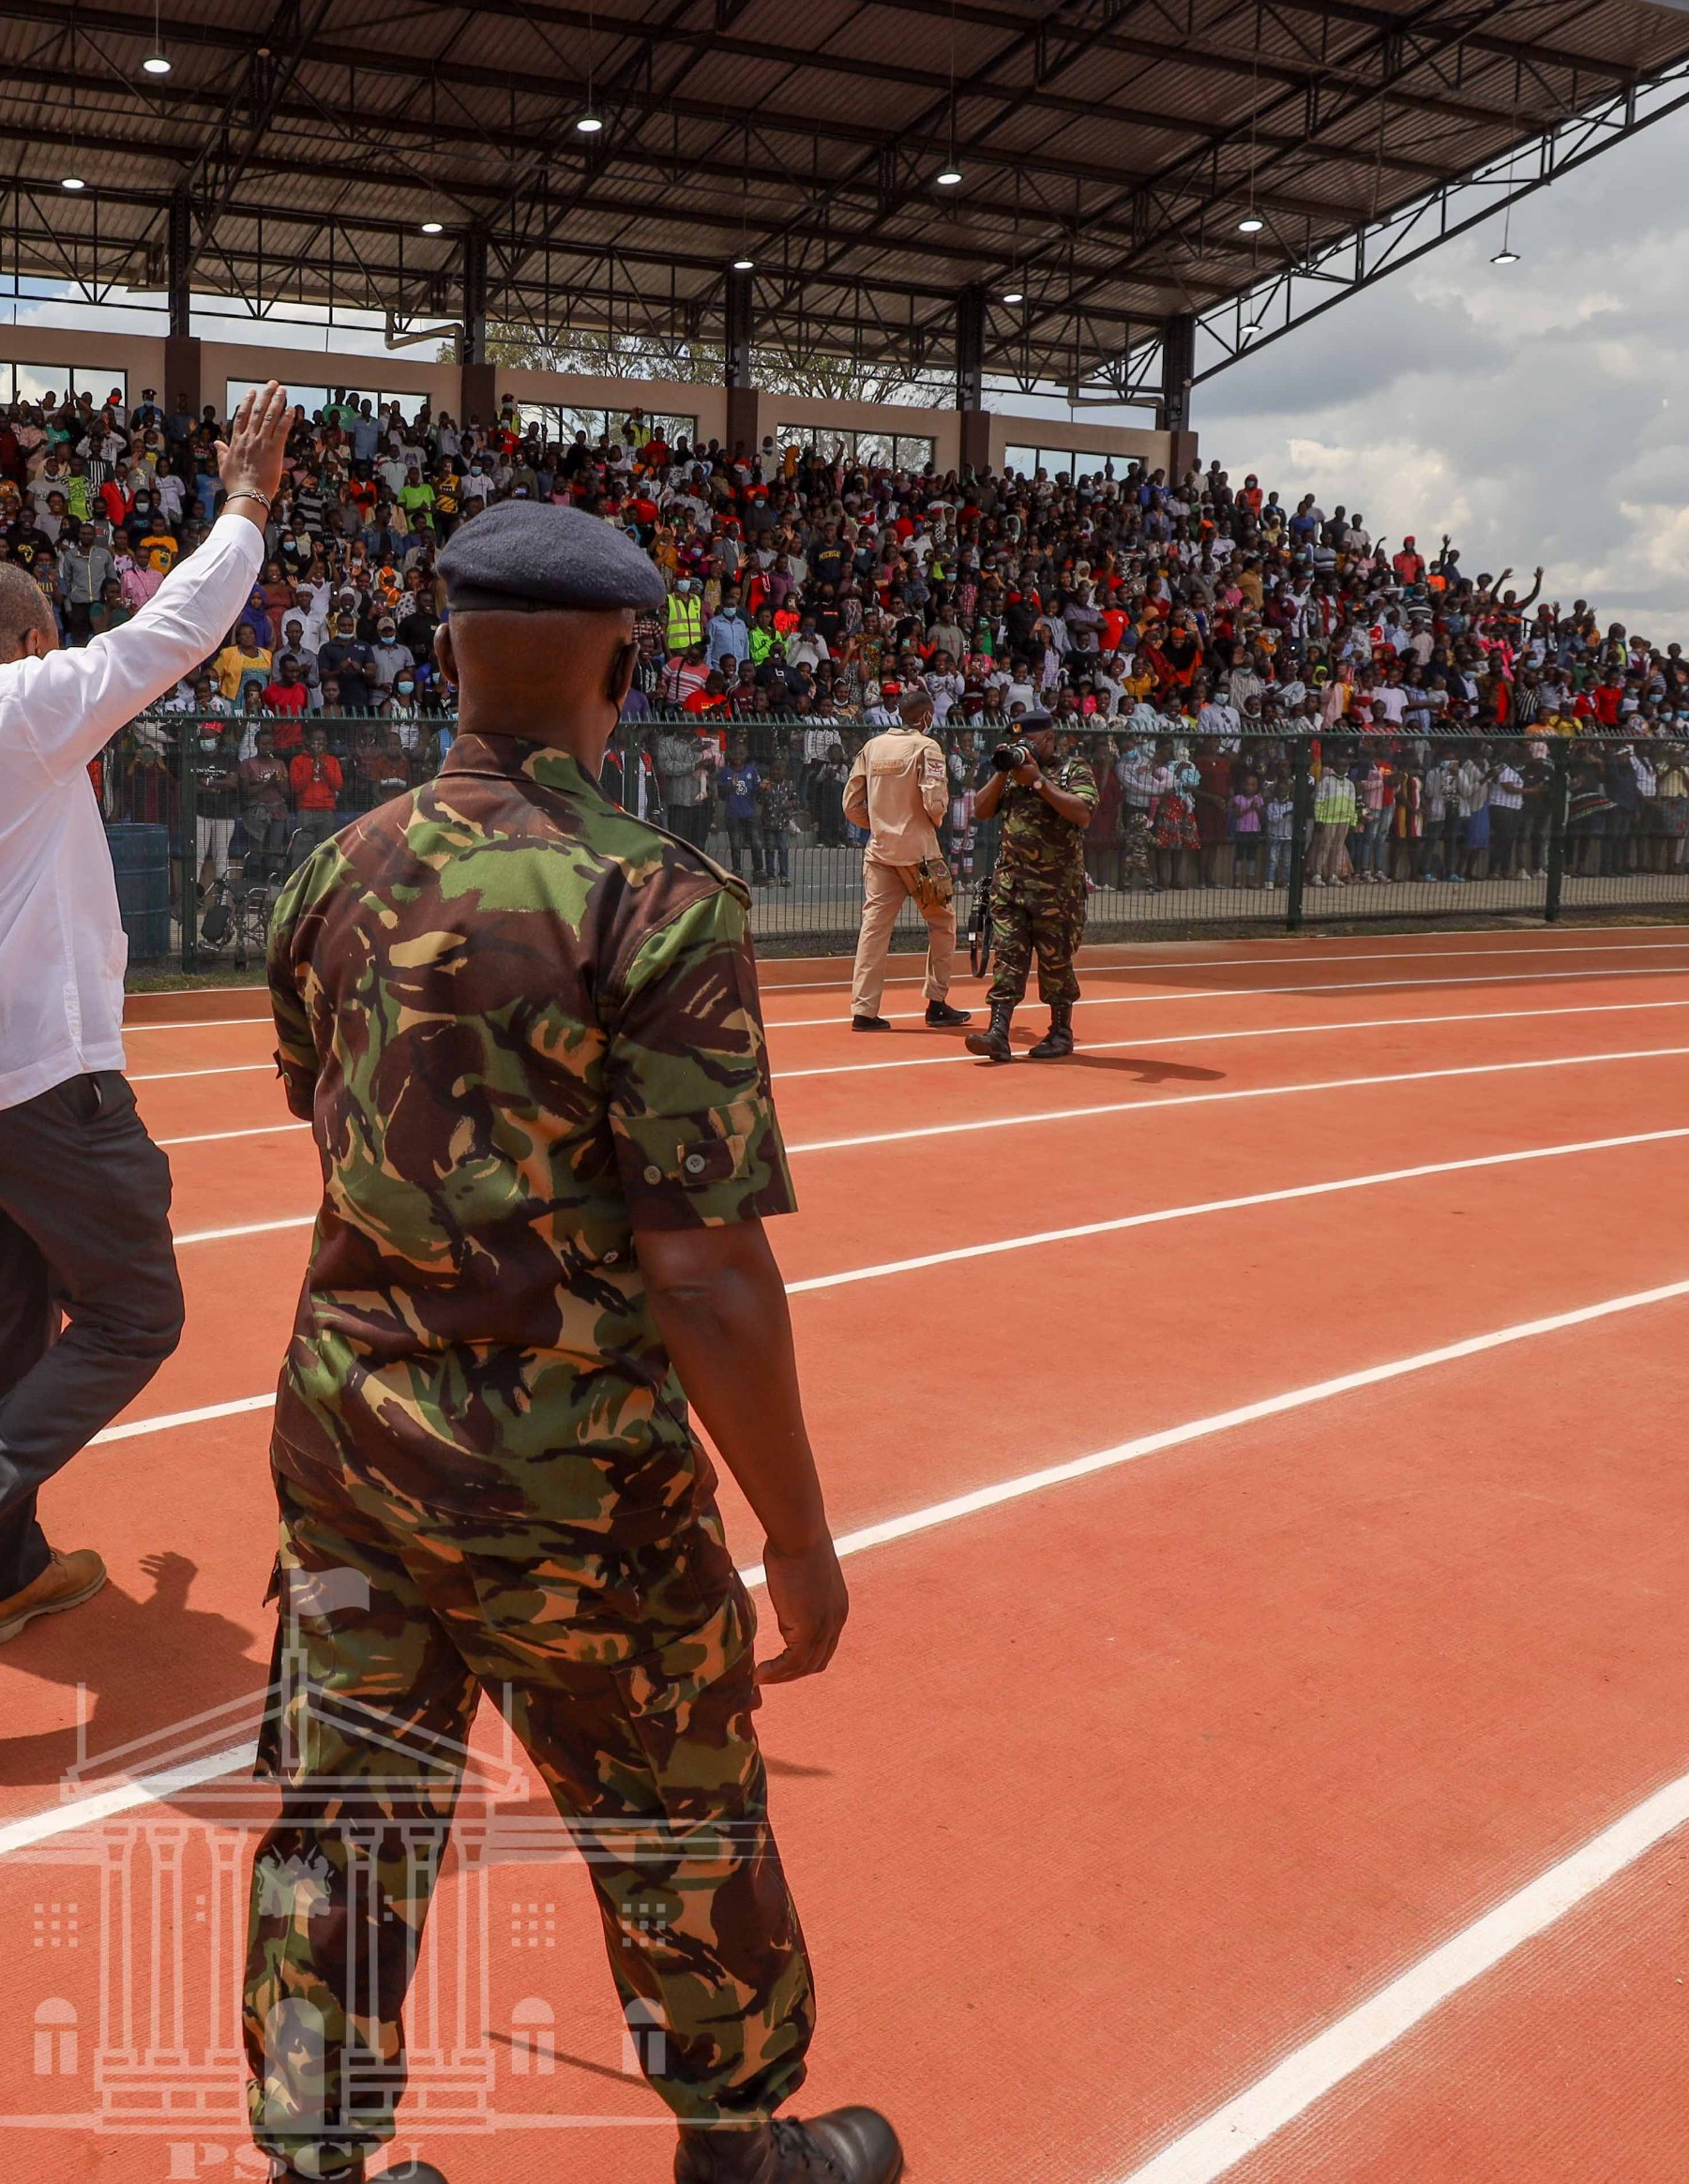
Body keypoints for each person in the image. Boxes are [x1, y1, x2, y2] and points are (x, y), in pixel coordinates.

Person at [249, 498, 893, 2184]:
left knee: (346, 1826)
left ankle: (317, 2161)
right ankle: (740, 2144)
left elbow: (325, 1115)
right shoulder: (654, 899)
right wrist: (800, 1534)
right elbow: (702, 1269)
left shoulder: (333, 870)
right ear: (624, 658)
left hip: (351, 1444)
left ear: (442, 646)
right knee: (672, 1812)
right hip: (572, 1483)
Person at [0, 384, 291, 1736]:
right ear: (28, 644)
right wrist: (249, 498)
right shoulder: (3, 715)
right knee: (138, 1309)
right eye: (54, 649)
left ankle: (4, 1566)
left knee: (3, 1328)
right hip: (31, 1074)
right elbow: (168, 635)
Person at [966, 717, 1095, 1064]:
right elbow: (979, 810)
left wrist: (1038, 781)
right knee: (1007, 957)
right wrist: (1002, 771)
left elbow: (1082, 813)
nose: (1025, 748)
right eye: (1017, 742)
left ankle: (1060, 1032)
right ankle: (998, 1032)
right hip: (1011, 886)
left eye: (1031, 742)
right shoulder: (1010, 776)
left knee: (1056, 962)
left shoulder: (1072, 770)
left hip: (1057, 891)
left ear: (1049, 739)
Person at [841, 687, 965, 1033]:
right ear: (926, 716)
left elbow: (851, 804)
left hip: (880, 852)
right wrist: (932, 822)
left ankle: (863, 1010)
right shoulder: (927, 747)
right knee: (942, 923)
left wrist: (879, 823)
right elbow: (935, 800)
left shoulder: (873, 746)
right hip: (920, 854)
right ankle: (936, 1003)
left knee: (874, 930)